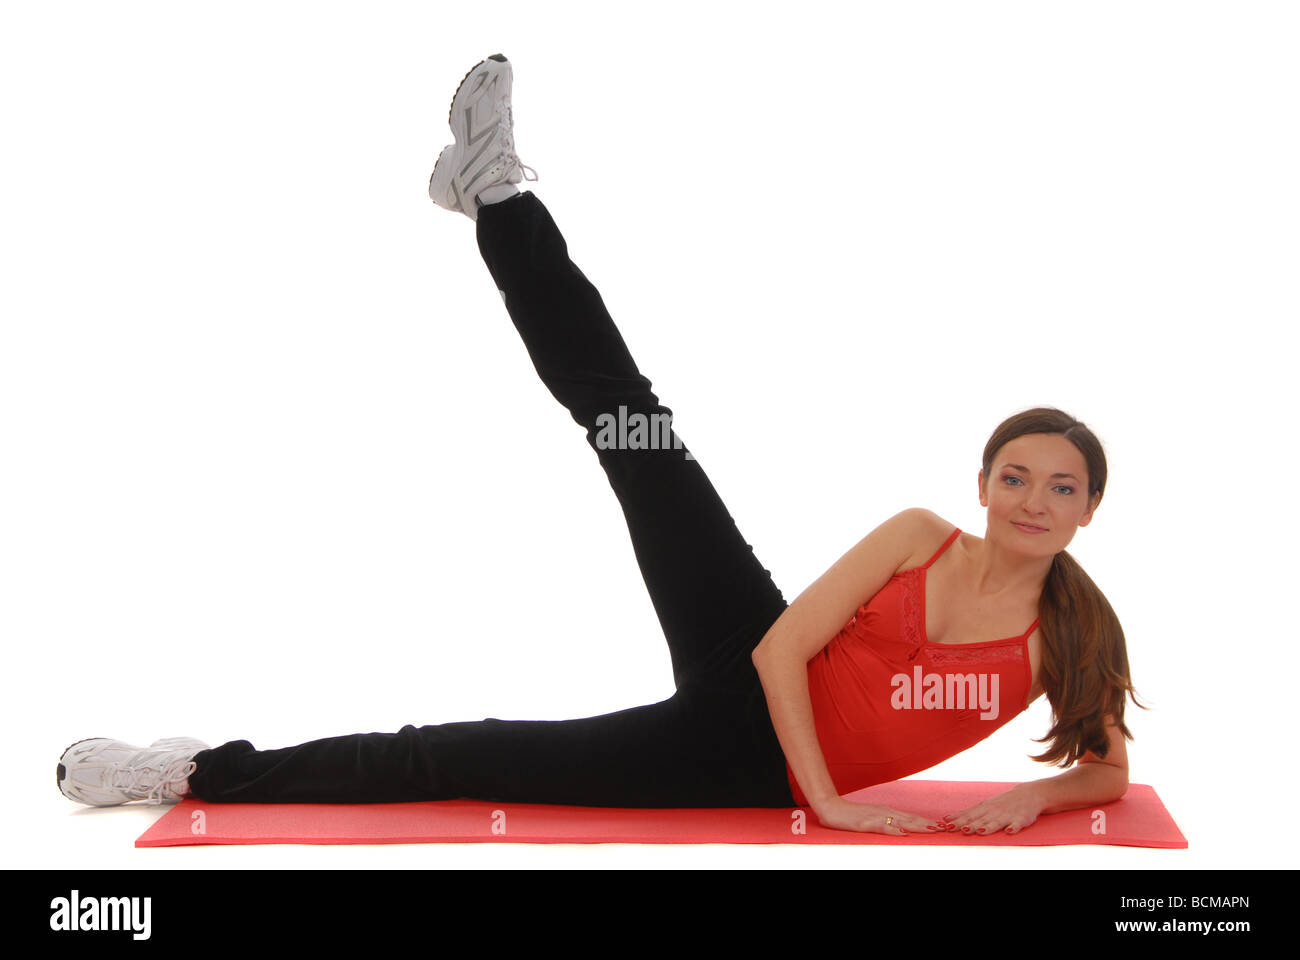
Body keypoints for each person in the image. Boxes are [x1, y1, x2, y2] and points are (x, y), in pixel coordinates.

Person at [56, 54, 1143, 836]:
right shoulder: (920, 535)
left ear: (1088, 508)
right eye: (1015, 476)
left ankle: (185, 769)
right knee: (636, 429)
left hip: (733, 759)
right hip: (756, 658)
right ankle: (494, 196)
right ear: (984, 485)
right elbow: (778, 652)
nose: (1032, 500)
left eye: (1059, 487)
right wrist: (834, 803)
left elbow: (1103, 771)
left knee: (454, 753)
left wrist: (1029, 794)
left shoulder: (1074, 629)